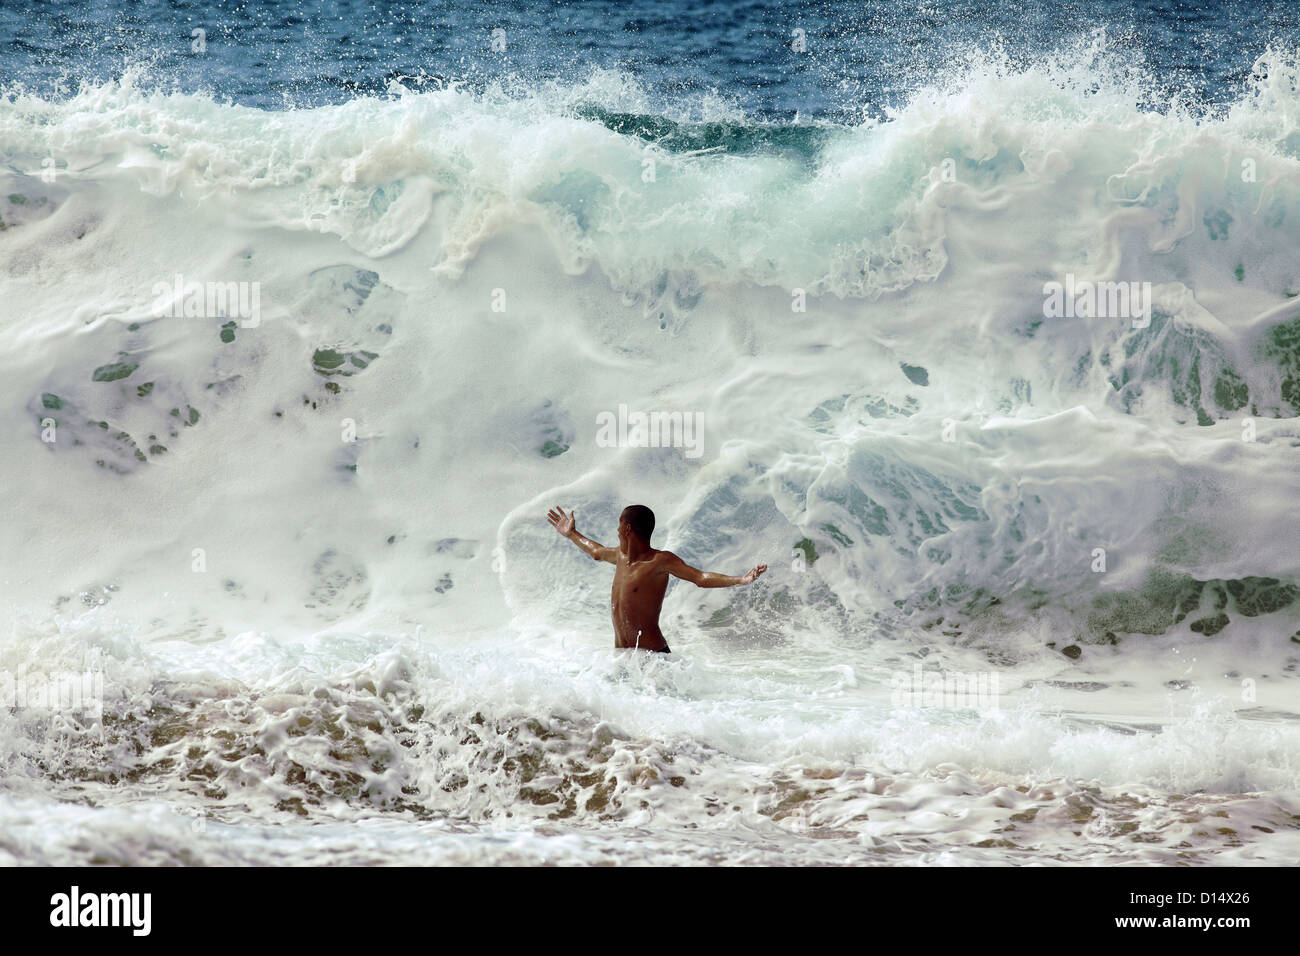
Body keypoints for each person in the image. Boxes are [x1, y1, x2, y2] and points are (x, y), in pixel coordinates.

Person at [547, 504, 766, 653]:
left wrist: (740, 580)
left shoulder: (659, 562)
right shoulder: (619, 557)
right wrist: (571, 534)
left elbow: (699, 577)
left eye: (619, 524)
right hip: (624, 657)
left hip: (653, 660)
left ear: (627, 528)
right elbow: (596, 551)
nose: (616, 529)